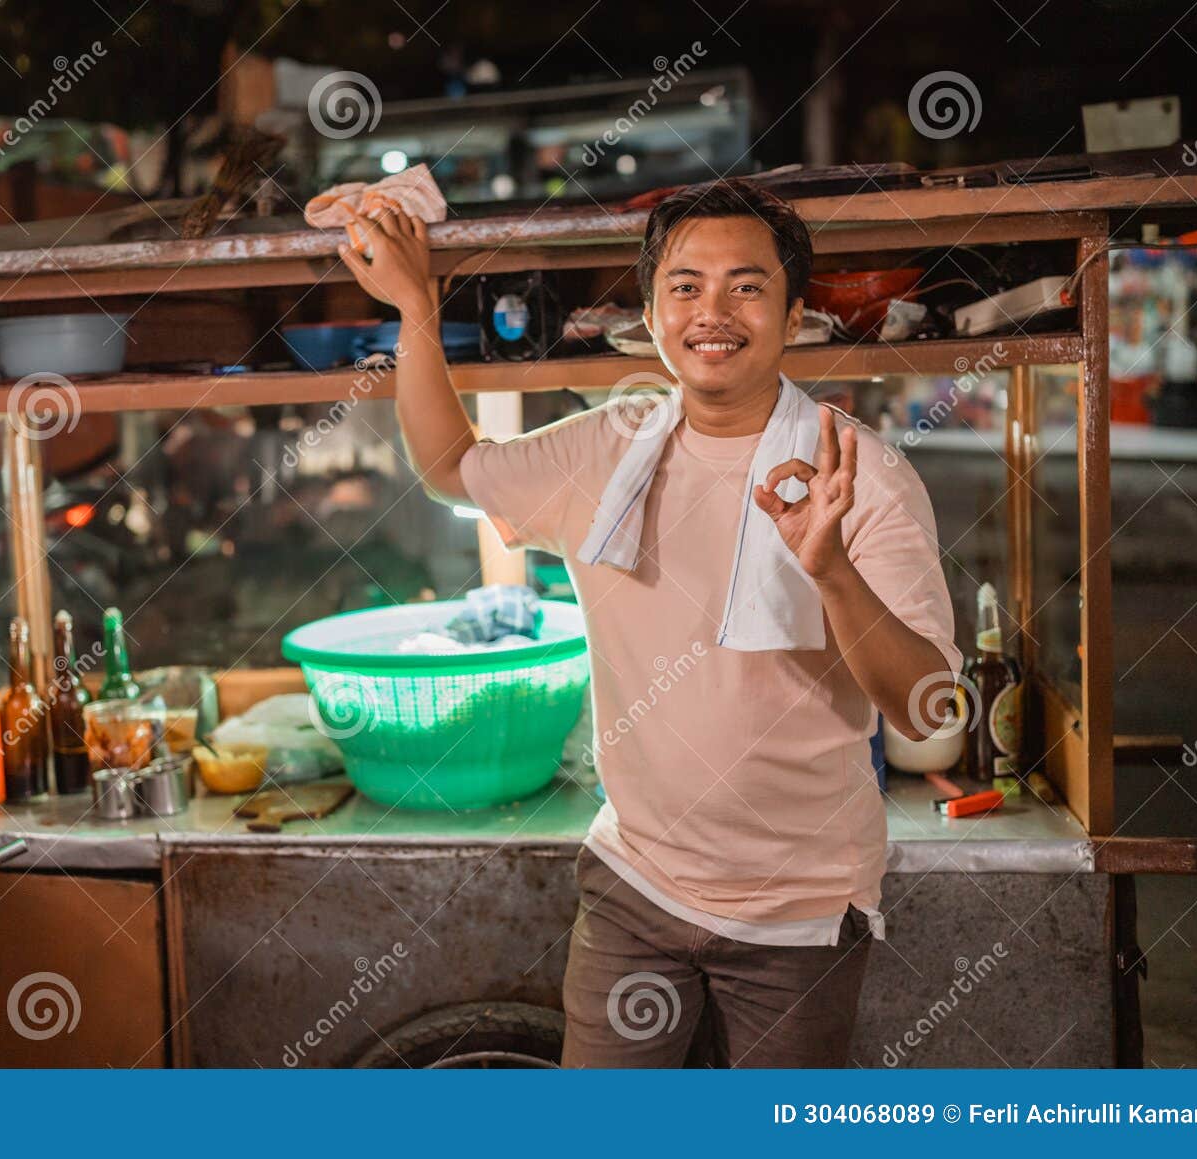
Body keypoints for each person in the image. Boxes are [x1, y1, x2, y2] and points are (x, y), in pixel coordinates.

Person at [341, 180, 961, 1067]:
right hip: (637, 886)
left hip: (800, 908)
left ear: (794, 318)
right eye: (685, 286)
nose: (713, 311)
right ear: (652, 311)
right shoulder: (609, 448)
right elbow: (450, 468)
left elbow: (929, 710)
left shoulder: (860, 474)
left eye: (748, 286)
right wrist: (414, 310)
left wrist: (830, 570)